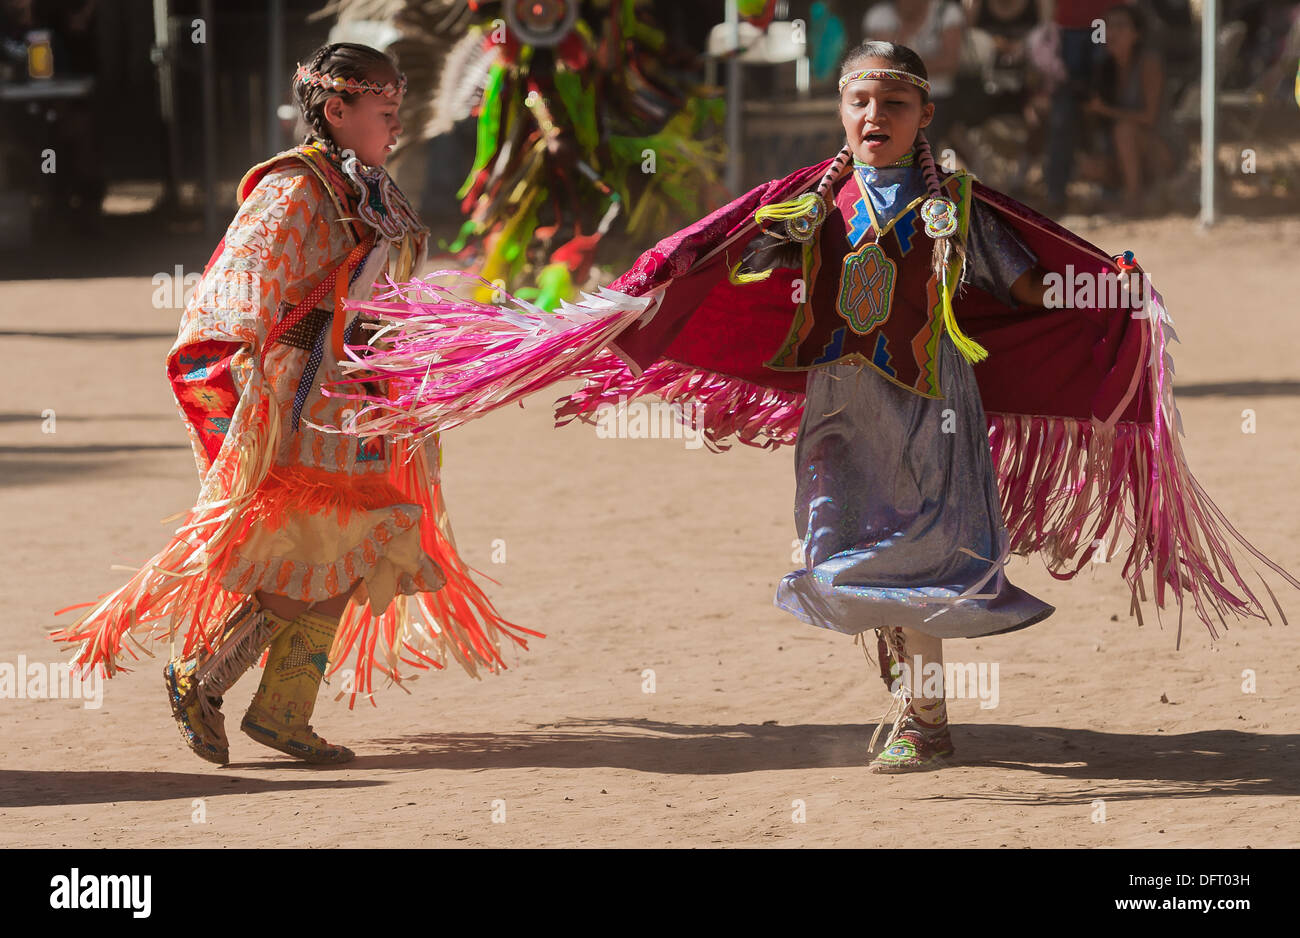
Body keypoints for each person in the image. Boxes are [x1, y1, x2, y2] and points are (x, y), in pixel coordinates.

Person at [331, 41, 1300, 774]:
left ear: (923, 114)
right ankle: (911, 705)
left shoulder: (952, 203)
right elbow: (736, 268)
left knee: (908, 561)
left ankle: (922, 720)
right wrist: (670, 286)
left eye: (893, 101)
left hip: (928, 407)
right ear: (841, 112)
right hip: (840, 406)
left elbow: (1024, 285)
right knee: (840, 552)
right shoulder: (812, 202)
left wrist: (1106, 291)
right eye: (859, 99)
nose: (873, 112)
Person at [52, 42, 539, 766]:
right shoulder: (295, 187)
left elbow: (385, 291)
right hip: (307, 395)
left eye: (398, 109)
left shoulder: (372, 185)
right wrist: (244, 371)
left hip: (360, 397)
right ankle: (204, 675)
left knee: (350, 549)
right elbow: (238, 285)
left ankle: (282, 708)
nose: (395, 125)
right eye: (384, 110)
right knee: (326, 543)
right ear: (336, 111)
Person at [1082, 3, 1178, 213]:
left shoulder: (1149, 63)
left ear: (1136, 34)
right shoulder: (1106, 68)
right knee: (1089, 166)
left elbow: (1149, 118)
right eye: (1108, 26)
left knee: (1124, 131)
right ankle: (1124, 195)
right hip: (1125, 153)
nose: (1112, 32)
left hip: (1161, 150)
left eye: (1120, 26)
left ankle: (1133, 199)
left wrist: (1105, 110)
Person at [862, 0, 967, 153]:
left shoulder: (947, 12)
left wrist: (905, 67)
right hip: (892, 98)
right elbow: (885, 63)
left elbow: (950, 62)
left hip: (940, 100)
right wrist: (906, 27)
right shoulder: (879, 16)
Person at [1043, 0, 1117, 213]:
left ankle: (1111, 191)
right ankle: (1056, 194)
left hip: (1110, 22)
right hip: (1069, 30)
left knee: (1107, 115)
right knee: (1063, 118)